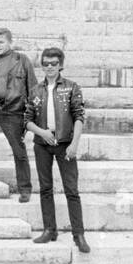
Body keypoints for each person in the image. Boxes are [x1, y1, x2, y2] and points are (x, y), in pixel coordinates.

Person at [24, 47, 90, 253]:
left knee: (72, 190)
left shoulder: (71, 87)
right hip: (43, 144)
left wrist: (74, 144)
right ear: (41, 66)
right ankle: (49, 230)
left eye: (53, 63)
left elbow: (79, 116)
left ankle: (78, 234)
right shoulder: (35, 90)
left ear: (60, 65)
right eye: (45, 64)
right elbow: (26, 120)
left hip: (65, 144)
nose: (49, 67)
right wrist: (42, 133)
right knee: (45, 188)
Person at [0, 27, 37, 203]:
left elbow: (33, 88)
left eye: (1, 42)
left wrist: (30, 115)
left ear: (10, 42)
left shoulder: (22, 60)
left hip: (14, 110)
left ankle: (25, 189)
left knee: (19, 151)